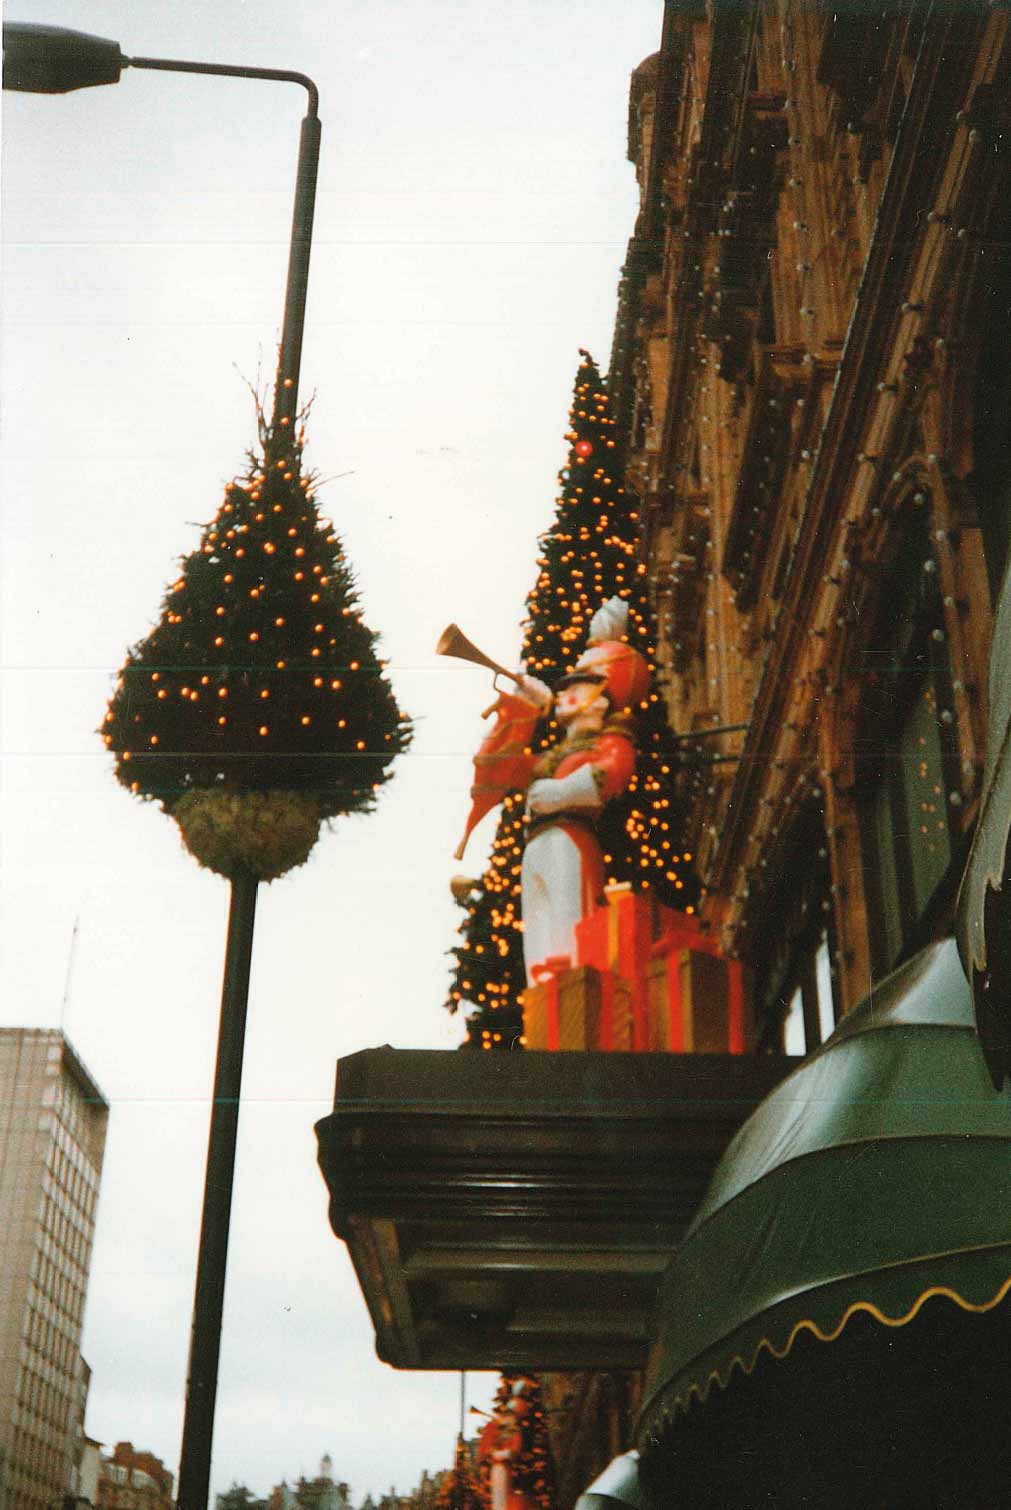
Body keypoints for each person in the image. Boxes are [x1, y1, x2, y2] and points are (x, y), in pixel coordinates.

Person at [460, 597, 649, 985]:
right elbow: (495, 768)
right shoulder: (552, 757)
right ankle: (543, 1001)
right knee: (539, 937)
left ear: (600, 698)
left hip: (571, 839)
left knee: (568, 927)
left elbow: (612, 774)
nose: (564, 695)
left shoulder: (609, 741)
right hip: (539, 844)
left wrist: (561, 793)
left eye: (575, 688)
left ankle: (571, 998)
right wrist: (522, 710)